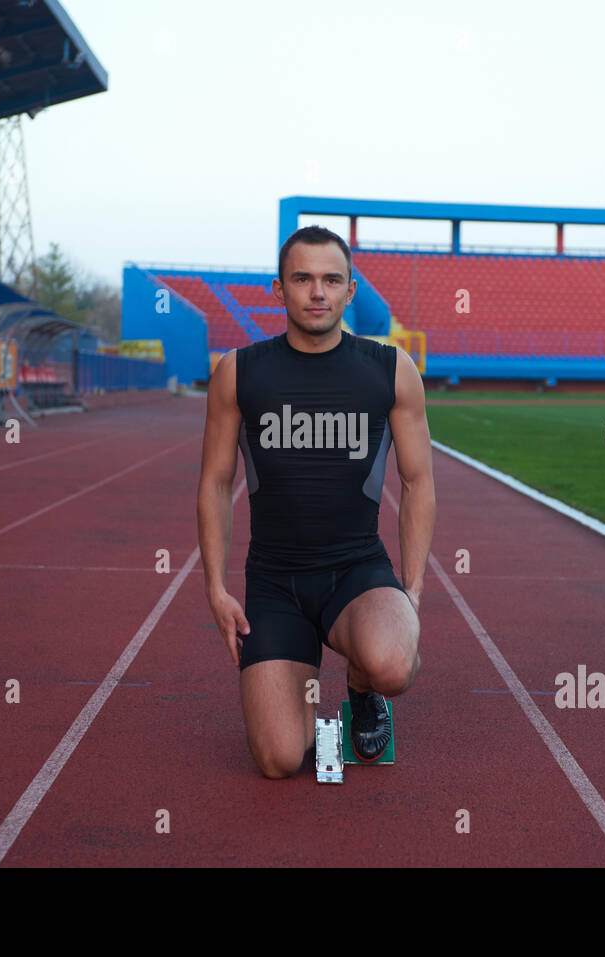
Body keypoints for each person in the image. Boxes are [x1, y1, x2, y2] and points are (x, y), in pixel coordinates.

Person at [197, 225, 436, 779]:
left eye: (331, 279)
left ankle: (360, 684)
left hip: (357, 570)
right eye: (302, 279)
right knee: (281, 759)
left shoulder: (391, 369)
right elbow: (213, 481)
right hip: (275, 582)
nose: (317, 292)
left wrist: (414, 588)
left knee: (393, 666)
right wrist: (215, 588)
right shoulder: (238, 372)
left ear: (351, 291)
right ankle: (300, 686)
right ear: (278, 290)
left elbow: (418, 481)